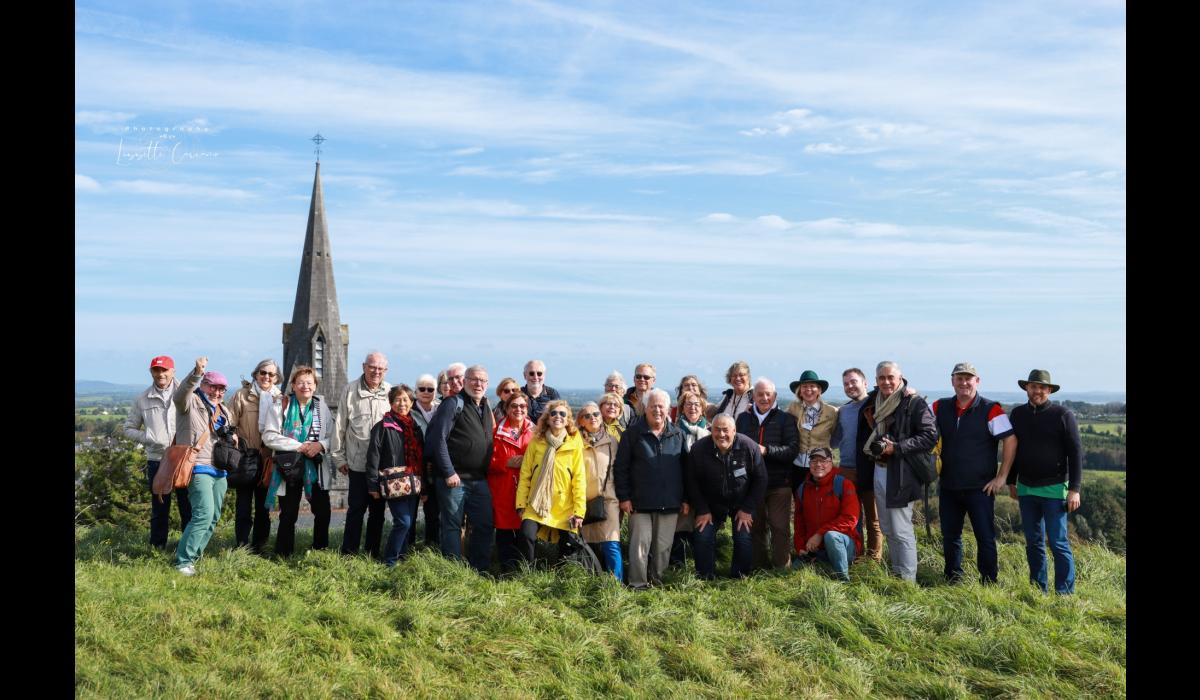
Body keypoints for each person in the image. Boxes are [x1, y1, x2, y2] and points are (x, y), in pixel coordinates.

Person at [931, 362, 1016, 584]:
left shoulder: (991, 409)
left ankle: (988, 581)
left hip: (980, 488)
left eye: (969, 378)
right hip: (948, 485)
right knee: (950, 537)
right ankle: (952, 579)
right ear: (952, 381)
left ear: (977, 381)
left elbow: (1010, 439)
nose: (964, 382)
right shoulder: (940, 407)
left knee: (985, 537)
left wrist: (1002, 477)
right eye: (959, 378)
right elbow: (920, 421)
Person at [855, 361, 938, 582]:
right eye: (882, 378)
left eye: (891, 377)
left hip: (902, 473)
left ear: (900, 378)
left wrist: (897, 447)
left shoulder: (913, 402)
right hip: (879, 469)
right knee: (887, 527)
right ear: (876, 381)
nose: (886, 382)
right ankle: (897, 572)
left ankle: (908, 580)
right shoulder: (876, 400)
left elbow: (930, 436)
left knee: (901, 529)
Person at [1006, 369, 1082, 595]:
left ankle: (1064, 594)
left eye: (1042, 387)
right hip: (1026, 487)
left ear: (1049, 390)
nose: (1037, 391)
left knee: (1058, 543)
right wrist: (1012, 481)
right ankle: (1038, 590)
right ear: (1026, 389)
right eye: (1033, 386)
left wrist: (1075, 489)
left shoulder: (1062, 414)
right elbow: (1014, 450)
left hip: (1055, 488)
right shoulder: (1018, 414)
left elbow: (1075, 453)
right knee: (1033, 542)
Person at [614, 389, 688, 589]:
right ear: (645, 408)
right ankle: (638, 584)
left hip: (670, 502)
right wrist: (624, 497)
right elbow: (621, 468)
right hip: (639, 502)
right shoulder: (632, 434)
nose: (657, 410)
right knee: (640, 546)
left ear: (668, 409)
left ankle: (658, 581)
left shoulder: (678, 435)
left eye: (661, 406)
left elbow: (687, 470)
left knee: (663, 547)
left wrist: (686, 499)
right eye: (653, 406)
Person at [425, 364, 495, 573]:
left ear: (487, 384)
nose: (478, 384)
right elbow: (439, 440)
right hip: (455, 479)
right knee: (452, 526)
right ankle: (454, 572)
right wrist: (448, 472)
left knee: (484, 524)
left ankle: (479, 570)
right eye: (473, 379)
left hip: (479, 479)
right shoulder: (453, 403)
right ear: (465, 382)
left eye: (482, 380)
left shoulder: (485, 406)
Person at [263, 364, 336, 558]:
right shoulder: (282, 405)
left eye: (309, 383)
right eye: (301, 382)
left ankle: (321, 551)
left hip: (316, 466)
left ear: (315, 386)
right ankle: (283, 554)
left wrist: (319, 445)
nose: (306, 386)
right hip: (289, 466)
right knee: (288, 513)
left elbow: (332, 435)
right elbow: (269, 436)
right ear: (293, 385)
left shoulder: (322, 407)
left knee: (323, 511)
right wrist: (300, 446)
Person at [171, 357, 233, 576]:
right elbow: (179, 394)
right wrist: (196, 372)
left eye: (221, 389)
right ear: (203, 385)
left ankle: (193, 556)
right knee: (203, 514)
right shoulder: (190, 403)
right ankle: (182, 561)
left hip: (220, 469)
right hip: (197, 466)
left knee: (214, 516)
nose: (216, 392)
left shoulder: (225, 411)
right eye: (212, 386)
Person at [124, 354, 191, 549]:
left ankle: (187, 548)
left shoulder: (187, 394)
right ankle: (157, 548)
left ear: (173, 371)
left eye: (164, 370)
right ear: (151, 372)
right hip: (157, 460)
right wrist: (149, 438)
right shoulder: (142, 399)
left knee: (188, 507)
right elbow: (128, 428)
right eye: (156, 370)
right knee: (160, 508)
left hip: (183, 459)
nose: (160, 374)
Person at [687, 415, 766, 579]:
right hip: (711, 504)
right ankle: (705, 577)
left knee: (743, 536)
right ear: (711, 430)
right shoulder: (699, 449)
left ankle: (739, 576)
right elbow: (691, 482)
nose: (721, 434)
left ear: (734, 431)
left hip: (741, 502)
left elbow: (761, 479)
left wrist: (747, 509)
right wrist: (702, 509)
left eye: (725, 430)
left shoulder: (749, 447)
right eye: (717, 430)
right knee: (702, 535)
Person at [735, 378, 800, 570]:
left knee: (780, 527)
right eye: (760, 394)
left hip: (779, 483)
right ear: (753, 396)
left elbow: (792, 450)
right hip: (752, 484)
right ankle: (759, 567)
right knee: (756, 527)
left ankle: (782, 568)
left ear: (775, 396)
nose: (764, 398)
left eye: (768, 394)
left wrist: (766, 451)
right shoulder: (743, 419)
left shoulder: (786, 419)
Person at [332, 352, 392, 559]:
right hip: (357, 463)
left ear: (386, 370)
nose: (376, 372)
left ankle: (372, 554)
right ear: (364, 366)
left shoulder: (390, 392)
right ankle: (349, 554)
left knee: (378, 513)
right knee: (356, 510)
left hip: (382, 466)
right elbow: (340, 425)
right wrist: (338, 457)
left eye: (380, 369)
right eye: (372, 367)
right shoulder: (350, 390)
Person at [515, 400, 586, 563]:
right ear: (547, 419)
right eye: (554, 413)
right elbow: (525, 474)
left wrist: (579, 511)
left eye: (563, 414)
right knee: (526, 535)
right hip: (536, 502)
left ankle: (563, 577)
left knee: (568, 544)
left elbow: (579, 479)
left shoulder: (575, 444)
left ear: (568, 419)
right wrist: (520, 505)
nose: (558, 417)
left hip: (564, 505)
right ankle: (527, 573)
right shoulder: (536, 442)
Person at [226, 358, 282, 553]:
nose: (266, 377)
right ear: (256, 374)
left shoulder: (280, 399)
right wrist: (232, 436)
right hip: (245, 458)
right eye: (263, 372)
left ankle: (260, 546)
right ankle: (242, 545)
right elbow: (229, 422)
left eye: (271, 374)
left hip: (268, 460)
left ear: (277, 378)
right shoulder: (242, 396)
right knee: (243, 506)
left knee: (263, 508)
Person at [364, 385, 425, 566]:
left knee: (409, 522)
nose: (402, 403)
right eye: (397, 400)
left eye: (406, 399)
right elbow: (373, 457)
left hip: (414, 480)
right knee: (403, 522)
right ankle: (390, 560)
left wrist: (425, 486)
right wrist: (373, 485)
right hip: (393, 482)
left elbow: (422, 456)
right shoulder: (382, 426)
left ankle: (402, 557)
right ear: (390, 403)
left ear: (412, 403)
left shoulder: (415, 426)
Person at [831, 367, 883, 563]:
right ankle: (854, 556)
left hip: (870, 468)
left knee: (873, 519)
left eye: (853, 382)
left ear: (865, 383)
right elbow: (834, 440)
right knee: (851, 518)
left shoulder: (876, 405)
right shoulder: (842, 411)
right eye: (846, 383)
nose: (850, 386)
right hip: (846, 470)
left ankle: (874, 560)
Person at [792, 447, 862, 581]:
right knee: (792, 573)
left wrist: (820, 534)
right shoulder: (802, 489)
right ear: (809, 464)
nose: (818, 464)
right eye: (814, 461)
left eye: (823, 460)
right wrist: (800, 546)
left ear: (831, 463)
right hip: (816, 550)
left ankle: (842, 580)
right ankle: (824, 565)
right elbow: (799, 522)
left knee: (832, 536)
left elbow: (850, 518)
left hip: (844, 545)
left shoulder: (844, 484)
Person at [577, 401, 622, 580]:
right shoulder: (574, 442)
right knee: (587, 545)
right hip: (583, 501)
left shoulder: (612, 442)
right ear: (581, 421)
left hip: (609, 499)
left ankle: (616, 584)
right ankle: (589, 581)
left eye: (596, 414)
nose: (593, 418)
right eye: (587, 415)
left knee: (611, 543)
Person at [489, 393, 533, 572]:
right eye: (514, 406)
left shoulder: (535, 431)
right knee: (505, 530)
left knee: (526, 531)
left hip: (527, 488)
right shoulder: (495, 433)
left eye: (522, 406)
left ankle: (524, 569)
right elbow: (484, 460)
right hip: (503, 486)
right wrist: (504, 463)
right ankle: (507, 570)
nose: (518, 409)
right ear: (506, 409)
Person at [670, 389, 710, 567]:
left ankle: (701, 566)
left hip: (705, 491)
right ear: (682, 408)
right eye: (688, 404)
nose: (693, 408)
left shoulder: (711, 432)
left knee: (702, 528)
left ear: (702, 409)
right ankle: (679, 567)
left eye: (697, 404)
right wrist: (684, 497)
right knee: (682, 528)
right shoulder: (674, 432)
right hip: (683, 490)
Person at [787, 370, 839, 482]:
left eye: (812, 386)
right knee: (799, 496)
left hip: (822, 465)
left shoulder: (831, 412)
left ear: (819, 390)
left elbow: (836, 436)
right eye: (804, 386)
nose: (808, 389)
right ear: (800, 391)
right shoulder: (793, 408)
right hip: (798, 464)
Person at [411, 373, 441, 549]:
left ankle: (432, 548)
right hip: (414, 467)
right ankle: (408, 549)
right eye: (422, 388)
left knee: (433, 513)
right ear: (416, 391)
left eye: (430, 389)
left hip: (434, 468)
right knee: (411, 513)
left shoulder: (441, 410)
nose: (426, 392)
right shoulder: (409, 410)